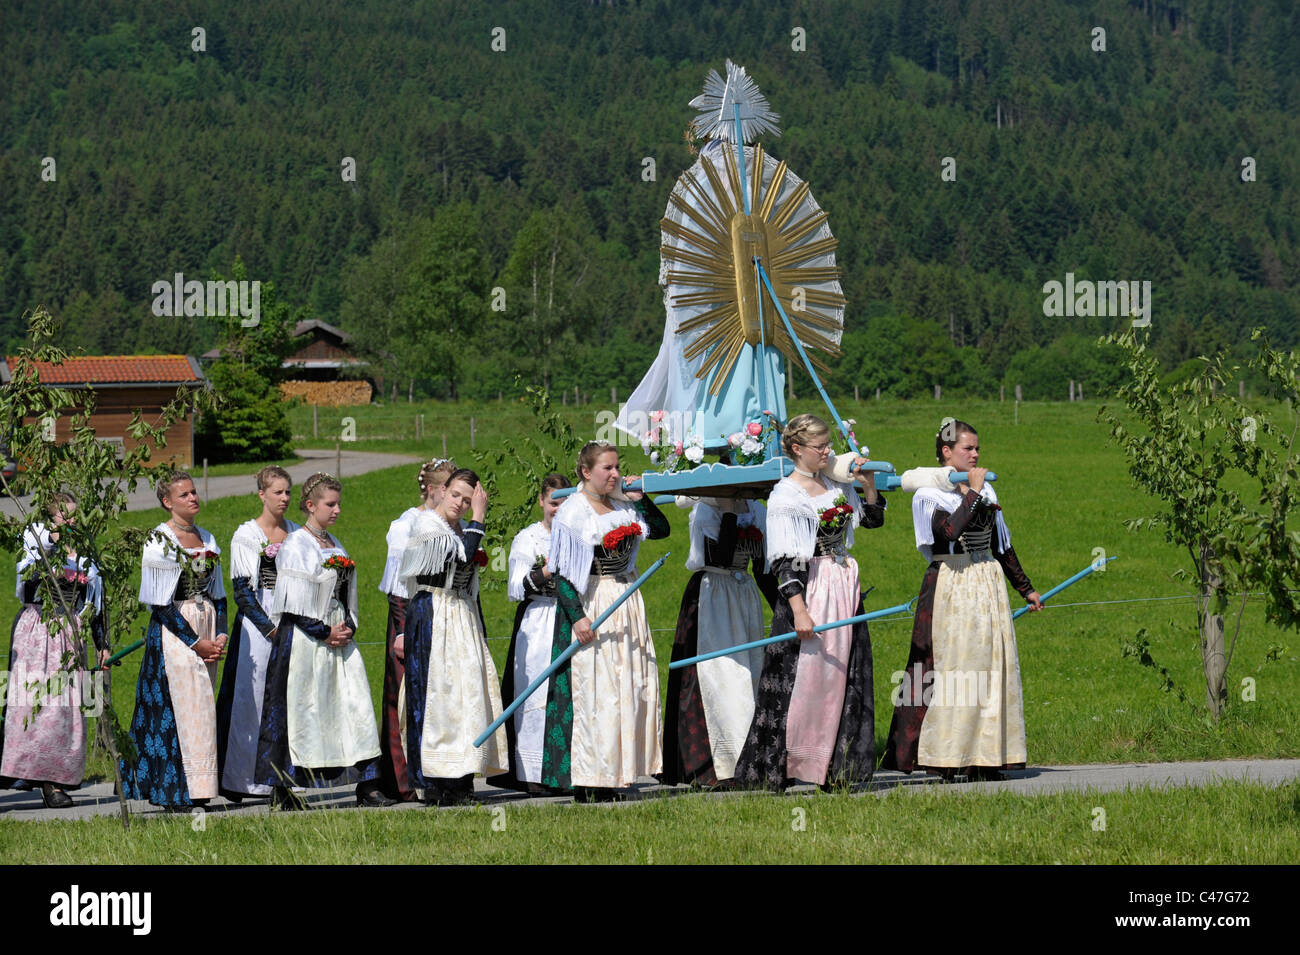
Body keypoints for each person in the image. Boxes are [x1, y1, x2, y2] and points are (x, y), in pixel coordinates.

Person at [881, 420, 1042, 781]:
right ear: (946, 452)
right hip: (951, 583)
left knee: (989, 666)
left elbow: (1002, 546)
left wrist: (1026, 588)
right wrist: (973, 492)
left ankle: (984, 757)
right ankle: (946, 757)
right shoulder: (928, 495)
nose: (976, 454)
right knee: (951, 668)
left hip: (986, 583)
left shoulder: (986, 493)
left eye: (977, 448)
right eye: (968, 449)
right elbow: (948, 533)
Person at [733, 414, 884, 790]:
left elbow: (873, 522)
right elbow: (785, 560)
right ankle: (781, 768)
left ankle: (840, 771)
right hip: (810, 589)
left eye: (829, 445)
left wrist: (868, 486)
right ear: (798, 449)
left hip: (844, 586)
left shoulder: (835, 485)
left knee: (844, 675)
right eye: (821, 447)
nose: (827, 452)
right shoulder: (787, 496)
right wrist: (798, 610)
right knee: (800, 679)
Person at [541, 440, 670, 800]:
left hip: (628, 601)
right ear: (586, 472)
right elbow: (563, 574)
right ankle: (590, 780)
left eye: (616, 467)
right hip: (594, 601)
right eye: (607, 469)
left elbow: (661, 529)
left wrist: (640, 498)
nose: (614, 474)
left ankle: (617, 773)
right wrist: (578, 618)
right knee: (597, 691)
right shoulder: (574, 513)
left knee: (626, 686)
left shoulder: (622, 506)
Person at [255, 472, 389, 808]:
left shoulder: (336, 543)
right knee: (301, 710)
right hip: (305, 639)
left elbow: (347, 593)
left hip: (337, 636)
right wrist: (323, 631)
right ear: (311, 506)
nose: (337, 510)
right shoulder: (296, 546)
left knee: (354, 705)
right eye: (330, 504)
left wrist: (347, 627)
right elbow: (291, 603)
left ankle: (367, 785)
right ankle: (283, 788)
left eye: (339, 503)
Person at [398, 467, 506, 806]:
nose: (460, 503)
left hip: (461, 614)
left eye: (468, 498)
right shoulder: (427, 525)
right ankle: (435, 782)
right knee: (437, 696)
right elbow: (461, 556)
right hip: (434, 611)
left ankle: (461, 778)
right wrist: (479, 517)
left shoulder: (456, 528)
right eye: (456, 495)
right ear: (442, 491)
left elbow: (467, 571)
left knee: (465, 693)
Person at [122, 471, 228, 809]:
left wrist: (220, 634)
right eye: (184, 495)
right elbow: (160, 604)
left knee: (201, 710)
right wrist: (196, 642)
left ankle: (200, 787)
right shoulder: (160, 540)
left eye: (194, 492)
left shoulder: (208, 538)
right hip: (174, 634)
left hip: (207, 630)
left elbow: (220, 595)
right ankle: (173, 791)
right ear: (168, 502)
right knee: (177, 707)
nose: (193, 498)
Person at [1, 494, 108, 808]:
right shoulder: (36, 543)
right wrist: (51, 540)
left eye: (75, 516)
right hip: (36, 634)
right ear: (50, 520)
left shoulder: (87, 556)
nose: (72, 522)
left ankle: (54, 783)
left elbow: (97, 606)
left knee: (65, 712)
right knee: (28, 708)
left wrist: (102, 645)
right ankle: (19, 772)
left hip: (70, 638)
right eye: (65, 517)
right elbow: (28, 580)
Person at [663, 495, 776, 788]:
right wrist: (727, 512)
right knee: (720, 677)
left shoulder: (755, 510)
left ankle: (750, 761)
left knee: (748, 676)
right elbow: (723, 555)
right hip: (712, 595)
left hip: (743, 596)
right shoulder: (705, 511)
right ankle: (718, 767)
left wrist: (786, 611)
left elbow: (763, 571)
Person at [214, 466, 298, 800]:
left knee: (288, 700)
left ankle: (283, 777)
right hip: (259, 629)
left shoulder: (295, 533)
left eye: (288, 492)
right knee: (253, 702)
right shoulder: (246, 535)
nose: (284, 499)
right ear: (261, 494)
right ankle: (244, 779)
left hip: (293, 624)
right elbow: (243, 594)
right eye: (278, 492)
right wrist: (270, 628)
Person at [376, 458, 456, 803]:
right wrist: (402, 630)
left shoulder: (453, 522)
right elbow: (399, 584)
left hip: (446, 617)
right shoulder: (406, 525)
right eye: (453, 490)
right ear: (435, 490)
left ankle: (444, 773)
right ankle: (403, 779)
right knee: (405, 697)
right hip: (410, 619)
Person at [491, 472, 571, 794]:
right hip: (538, 619)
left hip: (570, 619)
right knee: (536, 695)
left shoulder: (578, 536)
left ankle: (565, 770)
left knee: (566, 695)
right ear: (541, 501)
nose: (558, 509)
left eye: (564, 503)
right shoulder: (528, 538)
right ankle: (533, 773)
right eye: (553, 502)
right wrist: (548, 570)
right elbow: (515, 587)